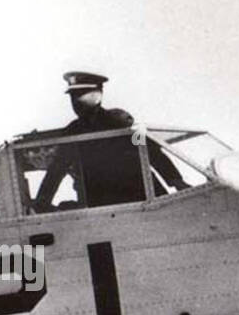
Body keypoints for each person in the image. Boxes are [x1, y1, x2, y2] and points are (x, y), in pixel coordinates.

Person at [30, 71, 188, 211]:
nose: (76, 102)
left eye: (82, 96)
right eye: (73, 97)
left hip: (139, 199)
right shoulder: (73, 132)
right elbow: (57, 169)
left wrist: (176, 181)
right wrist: (43, 200)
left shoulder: (120, 122)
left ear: (97, 96)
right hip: (103, 206)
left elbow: (151, 150)